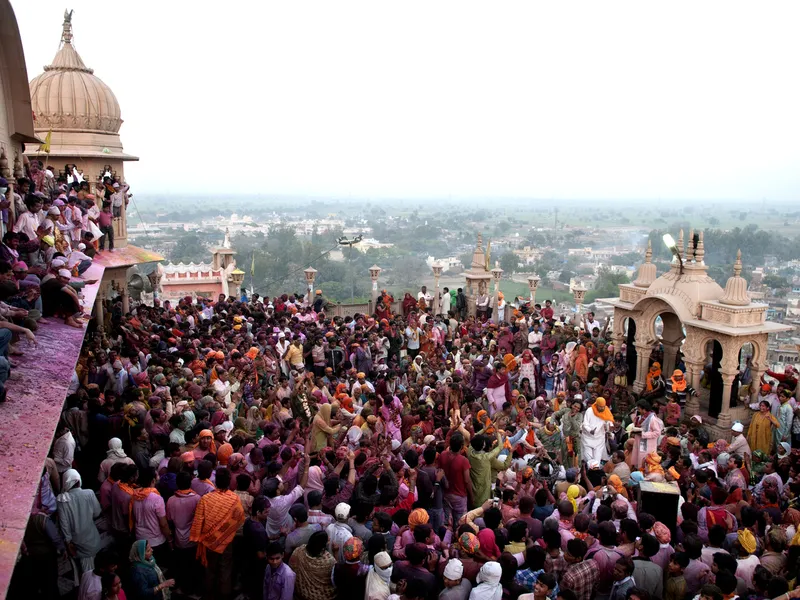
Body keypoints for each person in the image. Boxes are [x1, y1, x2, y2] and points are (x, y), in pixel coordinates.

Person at [189, 468, 246, 600]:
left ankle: (209, 594)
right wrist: (226, 532)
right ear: (228, 482)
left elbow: (198, 520)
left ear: (215, 482)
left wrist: (197, 537)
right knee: (225, 569)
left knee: (209, 569)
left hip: (208, 542)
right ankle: (224, 595)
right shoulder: (234, 499)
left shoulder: (205, 499)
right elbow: (239, 518)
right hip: (226, 542)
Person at [58, 469, 103, 574]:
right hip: (94, 540)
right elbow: (97, 513)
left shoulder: (62, 500)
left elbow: (64, 524)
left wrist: (68, 542)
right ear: (79, 481)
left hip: (78, 544)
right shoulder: (89, 493)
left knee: (87, 574)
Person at [289, 530, 336, 600]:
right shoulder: (328, 560)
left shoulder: (299, 550)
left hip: (301, 591)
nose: (329, 539)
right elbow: (336, 574)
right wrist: (336, 552)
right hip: (321, 595)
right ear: (323, 545)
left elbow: (292, 567)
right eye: (327, 540)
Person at [581, 397, 613, 464]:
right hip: (587, 438)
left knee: (597, 460)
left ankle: (595, 471)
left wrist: (609, 427)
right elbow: (585, 424)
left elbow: (609, 423)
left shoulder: (606, 411)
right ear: (596, 405)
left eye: (603, 407)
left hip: (599, 439)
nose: (602, 408)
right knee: (589, 459)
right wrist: (590, 430)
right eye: (600, 407)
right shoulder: (589, 411)